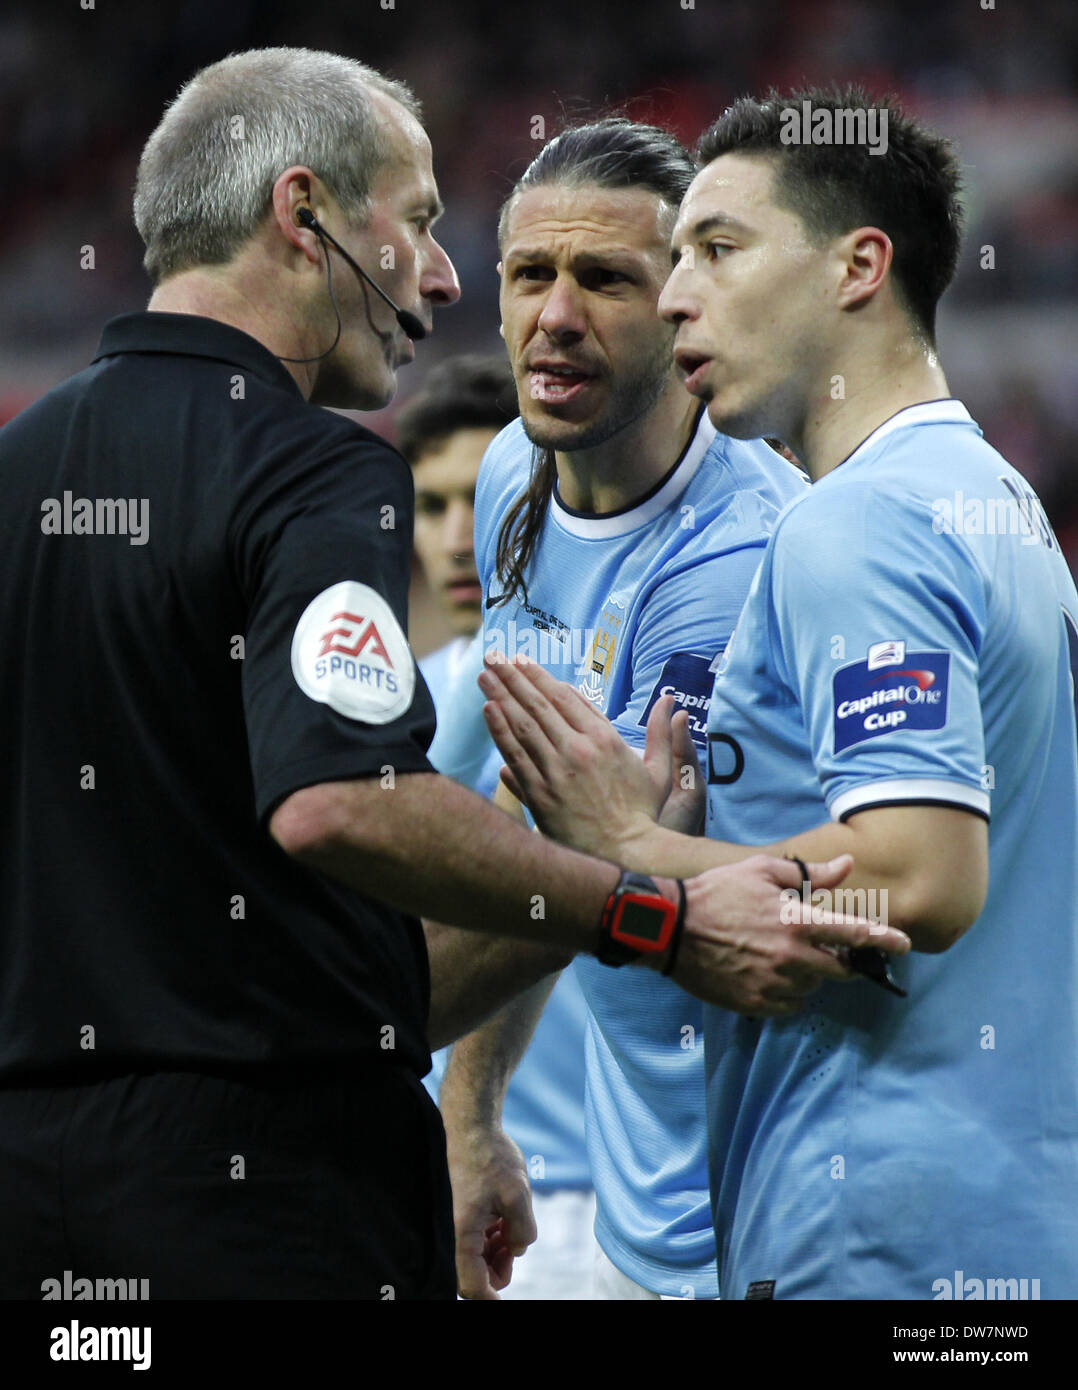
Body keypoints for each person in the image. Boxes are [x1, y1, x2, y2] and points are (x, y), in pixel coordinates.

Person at [0, 48, 899, 1300]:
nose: (444, 276)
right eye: (427, 227)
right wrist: (643, 909)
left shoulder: (25, 459)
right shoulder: (322, 472)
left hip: (49, 1192)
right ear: (303, 214)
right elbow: (359, 803)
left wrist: (464, 1106)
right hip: (258, 1195)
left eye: (604, 278)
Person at [478, 86, 1078, 1299]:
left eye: (718, 250)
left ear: (858, 266)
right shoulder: (988, 496)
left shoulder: (853, 526)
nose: (679, 293)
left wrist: (631, 850)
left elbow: (920, 869)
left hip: (878, 1220)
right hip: (994, 1202)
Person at [438, 119, 832, 1301]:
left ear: (681, 307)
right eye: (529, 275)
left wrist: (335, 1036)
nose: (554, 316)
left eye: (604, 279)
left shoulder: (738, 560)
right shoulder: (514, 470)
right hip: (634, 1195)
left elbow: (572, 864)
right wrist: (474, 1114)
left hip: (770, 1199)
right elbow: (525, 825)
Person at [396, 356, 597, 1299]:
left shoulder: (606, 679)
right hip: (456, 1192)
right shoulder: (388, 710)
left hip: (606, 1203)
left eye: (486, 504)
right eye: (432, 506)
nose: (458, 539)